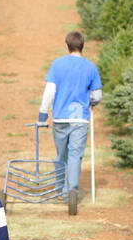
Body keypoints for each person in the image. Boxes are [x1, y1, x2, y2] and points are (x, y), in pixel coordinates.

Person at [37, 31, 102, 208]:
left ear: (67, 46)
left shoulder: (57, 65)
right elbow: (97, 95)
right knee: (75, 156)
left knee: (61, 155)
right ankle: (71, 192)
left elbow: (50, 91)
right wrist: (92, 101)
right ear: (82, 46)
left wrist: (43, 115)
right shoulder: (91, 68)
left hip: (60, 118)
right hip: (80, 119)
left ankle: (59, 189)